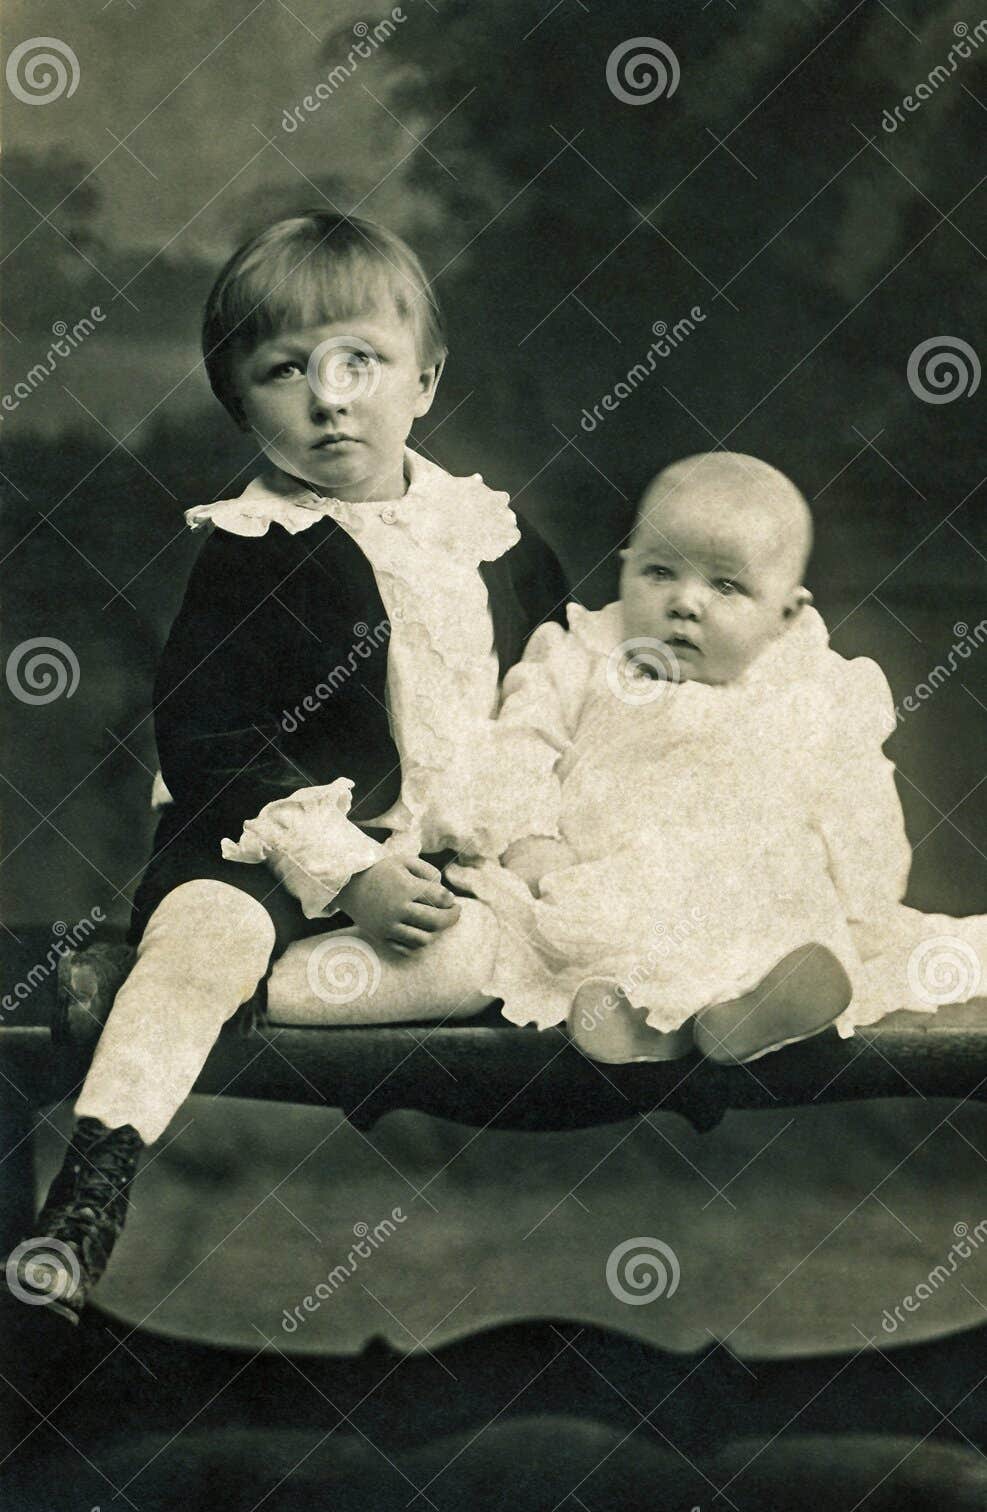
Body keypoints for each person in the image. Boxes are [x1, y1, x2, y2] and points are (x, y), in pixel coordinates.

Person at [4, 211, 568, 1324]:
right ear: (242, 402)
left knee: (524, 936)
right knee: (204, 934)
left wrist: (521, 835)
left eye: (362, 361)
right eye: (283, 370)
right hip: (264, 843)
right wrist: (347, 869)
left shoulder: (493, 538)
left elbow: (550, 695)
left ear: (426, 378)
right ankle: (94, 1186)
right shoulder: (252, 552)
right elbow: (211, 740)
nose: (330, 396)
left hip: (451, 868)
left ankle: (323, 988)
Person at [449, 452, 987, 1065]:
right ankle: (637, 1021)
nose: (685, 602)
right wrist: (529, 841)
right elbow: (521, 744)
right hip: (607, 869)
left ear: (785, 614)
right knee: (586, 932)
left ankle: (758, 1009)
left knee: (781, 916)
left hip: (748, 878)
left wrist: (867, 899)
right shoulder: (582, 655)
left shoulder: (810, 684)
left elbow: (855, 792)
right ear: (624, 570)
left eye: (725, 585)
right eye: (658, 572)